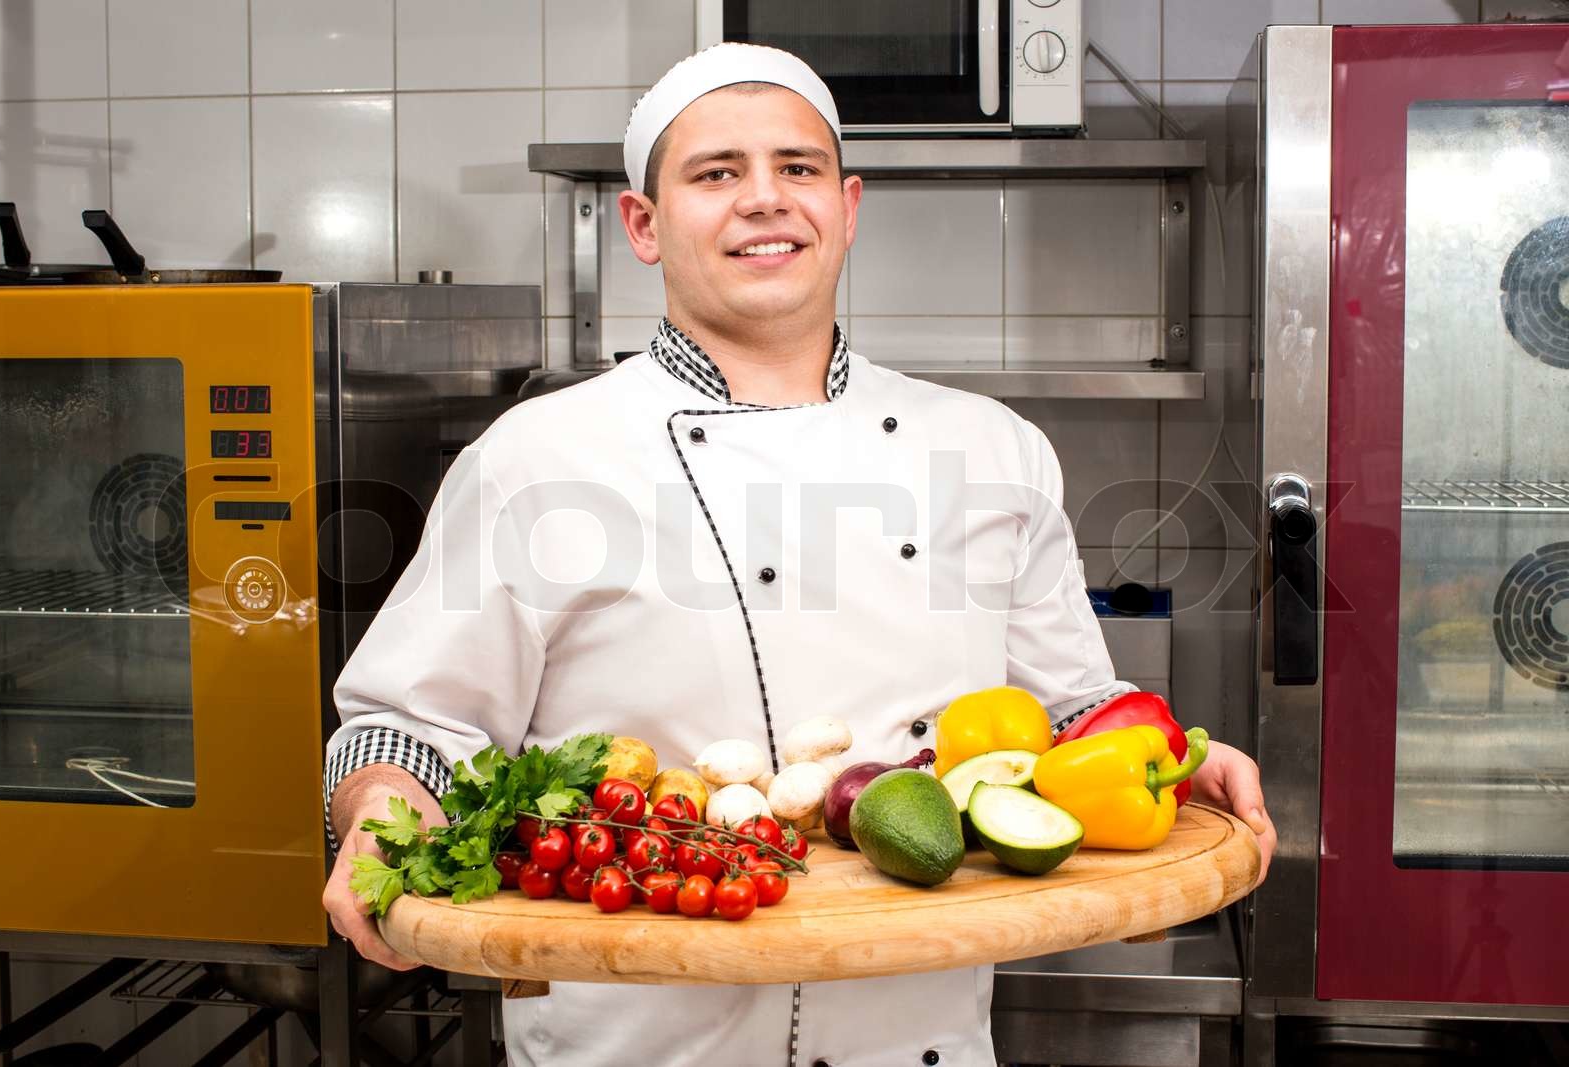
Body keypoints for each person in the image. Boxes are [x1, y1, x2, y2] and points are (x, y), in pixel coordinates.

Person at [320, 44, 1276, 1067]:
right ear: (643, 224)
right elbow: (411, 722)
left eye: (798, 169)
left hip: (919, 1035)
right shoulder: (534, 458)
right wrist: (382, 808)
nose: (764, 200)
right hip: (637, 1038)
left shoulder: (993, 448)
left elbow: (1066, 708)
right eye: (716, 173)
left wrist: (1165, 751)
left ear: (847, 205)